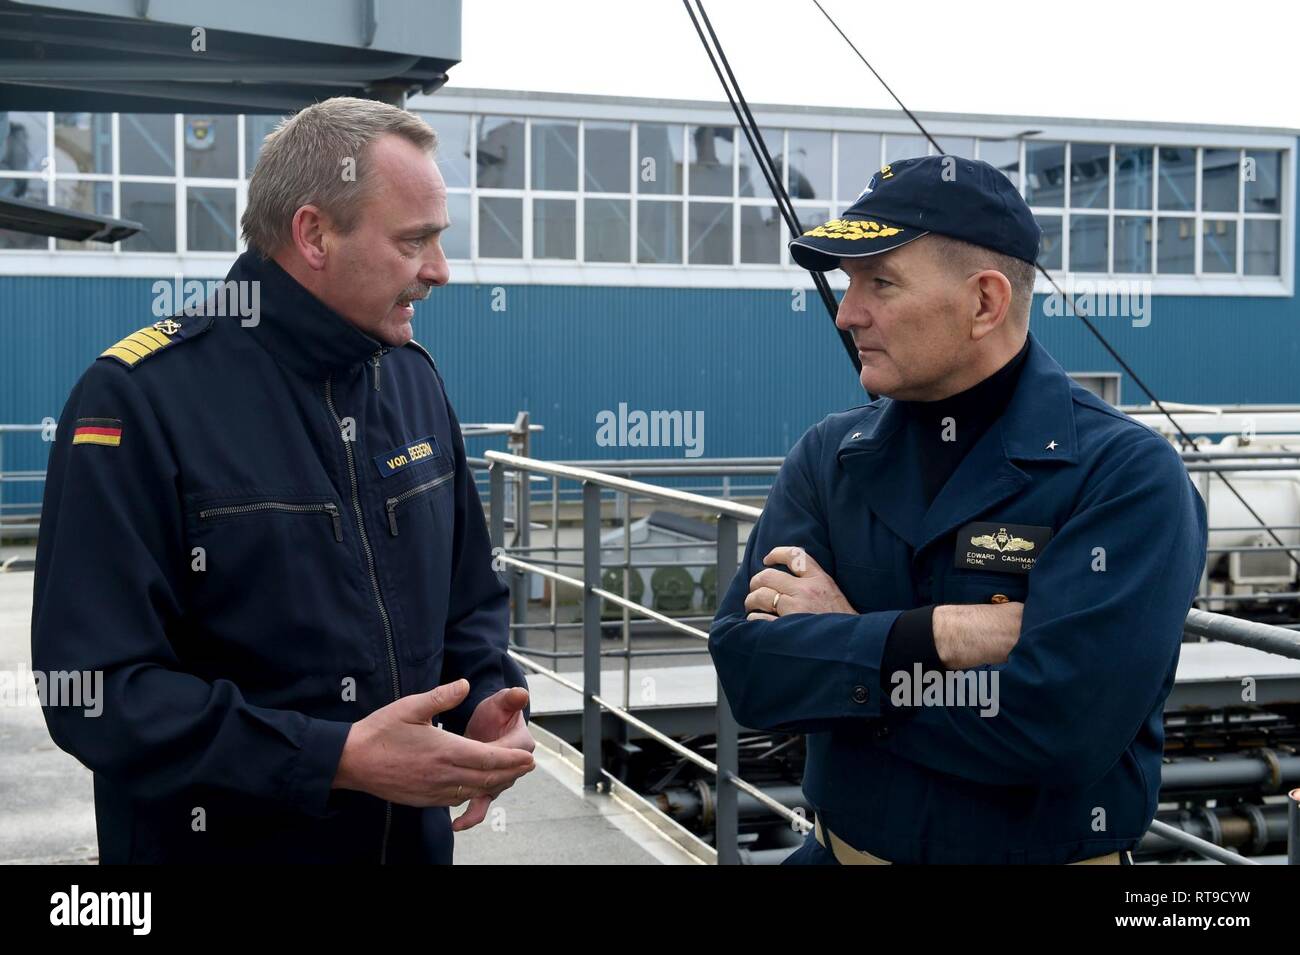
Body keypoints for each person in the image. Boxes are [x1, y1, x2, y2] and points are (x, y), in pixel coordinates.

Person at [31, 96, 535, 864]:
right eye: (415, 242)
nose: (439, 270)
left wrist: (489, 698)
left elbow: (470, 597)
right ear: (313, 235)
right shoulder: (138, 401)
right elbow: (93, 691)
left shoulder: (411, 380)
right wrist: (334, 757)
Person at [709, 155, 1208, 864]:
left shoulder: (1126, 476)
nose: (848, 311)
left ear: (984, 303)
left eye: (880, 281)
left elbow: (1058, 726)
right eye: (850, 283)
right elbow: (749, 670)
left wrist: (848, 650)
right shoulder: (830, 456)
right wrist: (943, 634)